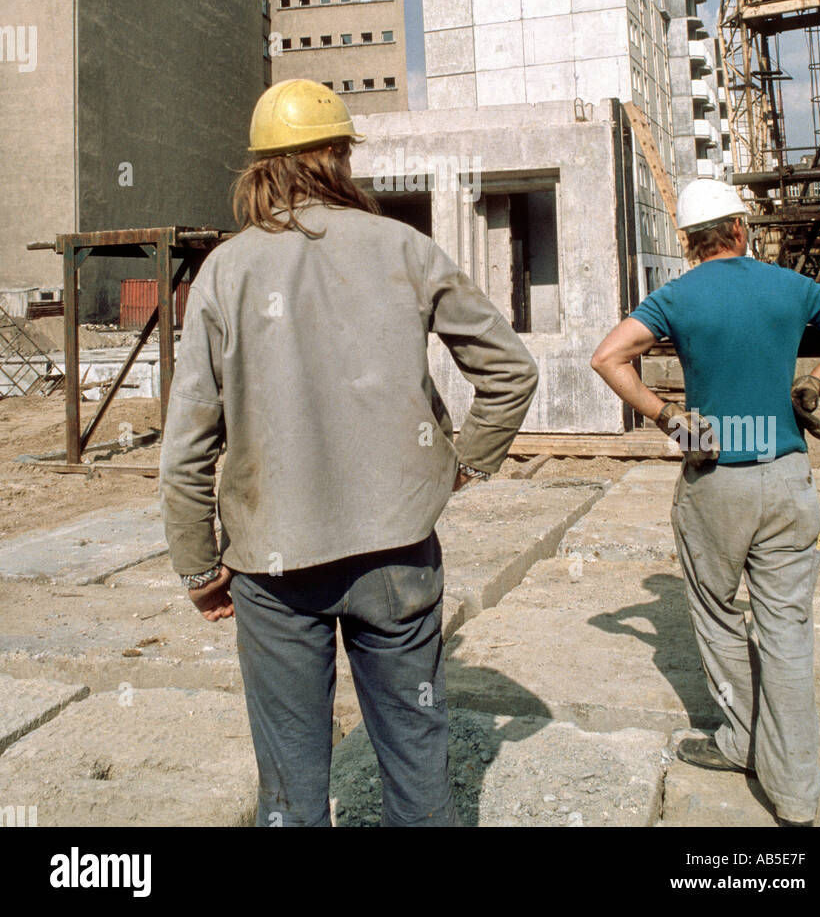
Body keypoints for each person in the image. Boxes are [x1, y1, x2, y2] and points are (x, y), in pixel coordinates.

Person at [159, 79, 538, 828]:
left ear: (260, 168)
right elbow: (511, 371)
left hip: (272, 563)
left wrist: (199, 568)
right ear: (336, 156)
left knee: (291, 782)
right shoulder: (404, 247)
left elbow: (186, 449)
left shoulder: (224, 273)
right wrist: (465, 462)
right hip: (396, 553)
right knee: (415, 753)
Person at [590, 178, 820, 827]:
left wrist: (667, 419)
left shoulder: (674, 297)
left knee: (714, 614)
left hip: (716, 479)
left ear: (687, 241)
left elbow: (607, 356)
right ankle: (795, 796)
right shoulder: (787, 286)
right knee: (787, 633)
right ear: (739, 230)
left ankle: (739, 740)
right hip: (787, 477)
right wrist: (813, 383)